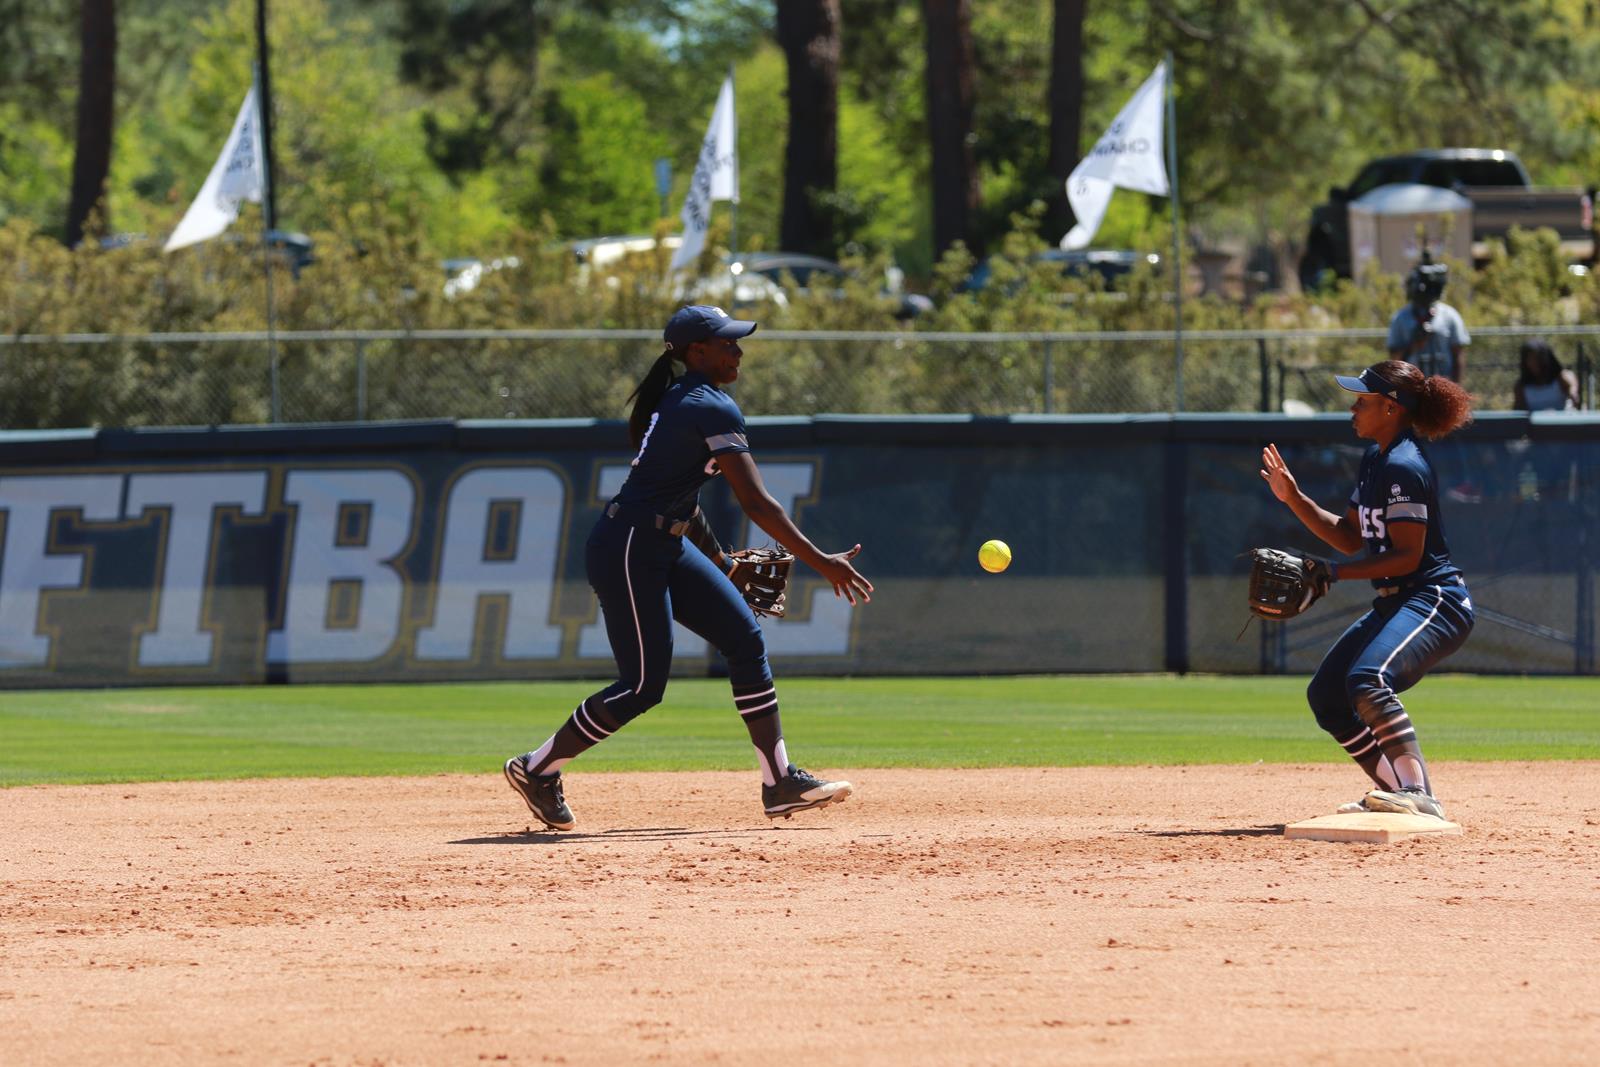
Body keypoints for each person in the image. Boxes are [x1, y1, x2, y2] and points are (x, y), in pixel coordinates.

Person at [503, 305, 874, 830]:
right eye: (727, 343)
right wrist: (823, 563)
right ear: (696, 352)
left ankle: (779, 782)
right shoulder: (706, 405)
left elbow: (685, 500)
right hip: (629, 547)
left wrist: (720, 560)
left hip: (664, 541)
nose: (738, 350)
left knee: (745, 641)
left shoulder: (690, 401)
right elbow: (759, 504)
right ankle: (537, 769)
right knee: (642, 686)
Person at [1259, 359, 1476, 819]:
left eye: (1363, 401)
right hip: (1399, 600)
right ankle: (1395, 790)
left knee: (1368, 680)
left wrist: (1333, 574)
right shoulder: (1377, 459)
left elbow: (1408, 557)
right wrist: (1294, 498)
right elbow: (1351, 537)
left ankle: (1417, 792)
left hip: (1436, 600)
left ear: (1391, 408)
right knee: (1328, 696)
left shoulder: (1404, 466)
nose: (1354, 410)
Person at [1387, 254, 1470, 383]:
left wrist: (1457, 387)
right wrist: (1413, 345)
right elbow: (1393, 358)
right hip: (1411, 386)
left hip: (1443, 384)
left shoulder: (1450, 315)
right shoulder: (1400, 318)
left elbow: (1458, 354)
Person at [1512, 337, 1579, 412]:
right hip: (1534, 423)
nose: (1534, 362)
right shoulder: (1521, 386)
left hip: (1560, 422)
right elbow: (1518, 411)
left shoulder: (1560, 379)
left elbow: (1570, 378)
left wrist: (1573, 392)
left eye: (1537, 358)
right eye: (1530, 359)